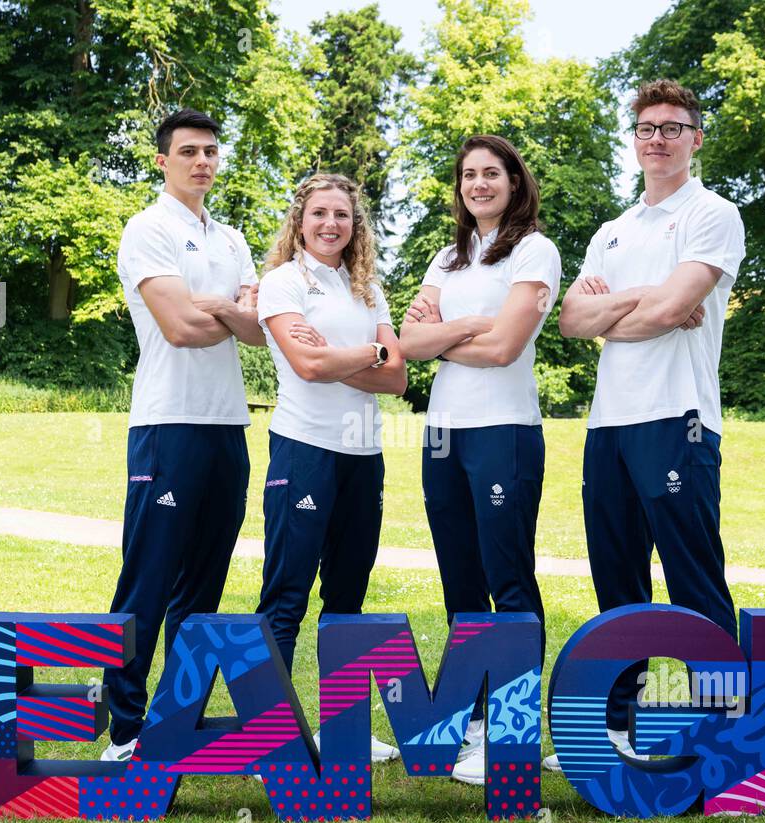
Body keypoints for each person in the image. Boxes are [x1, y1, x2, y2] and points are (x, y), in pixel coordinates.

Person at [550, 79, 745, 771]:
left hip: (678, 419)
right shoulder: (613, 230)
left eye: (672, 126)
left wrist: (629, 310)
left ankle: (723, 738)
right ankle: (624, 730)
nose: (657, 137)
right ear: (633, 140)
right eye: (646, 127)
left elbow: (676, 310)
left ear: (696, 137)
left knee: (693, 580)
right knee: (618, 582)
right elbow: (573, 321)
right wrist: (648, 296)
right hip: (608, 426)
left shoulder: (712, 214)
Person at [101, 108, 265, 761]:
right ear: (163, 160)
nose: (203, 161)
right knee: (148, 578)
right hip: (168, 423)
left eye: (211, 151)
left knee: (202, 586)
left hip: (228, 425)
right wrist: (232, 309)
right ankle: (122, 728)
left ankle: (172, 722)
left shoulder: (231, 239)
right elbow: (179, 327)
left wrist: (222, 310)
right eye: (189, 151)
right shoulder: (147, 230)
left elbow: (260, 330)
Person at [399, 135, 562, 786]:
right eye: (468, 174)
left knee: (508, 581)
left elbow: (505, 348)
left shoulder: (534, 250)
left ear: (515, 182)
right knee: (460, 581)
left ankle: (511, 729)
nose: (478, 183)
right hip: (443, 433)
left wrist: (448, 334)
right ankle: (467, 721)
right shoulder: (448, 254)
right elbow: (407, 342)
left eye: (491, 173)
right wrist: (471, 328)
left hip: (503, 430)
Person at [256, 173, 408, 764]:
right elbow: (306, 366)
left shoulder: (367, 288)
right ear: (301, 220)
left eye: (341, 215)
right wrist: (369, 352)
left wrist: (346, 355)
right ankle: (271, 734)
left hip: (362, 457)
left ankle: (342, 731)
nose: (330, 224)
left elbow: (396, 376)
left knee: (347, 596)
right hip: (305, 450)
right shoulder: (282, 283)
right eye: (319, 213)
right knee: (287, 595)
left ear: (355, 224)